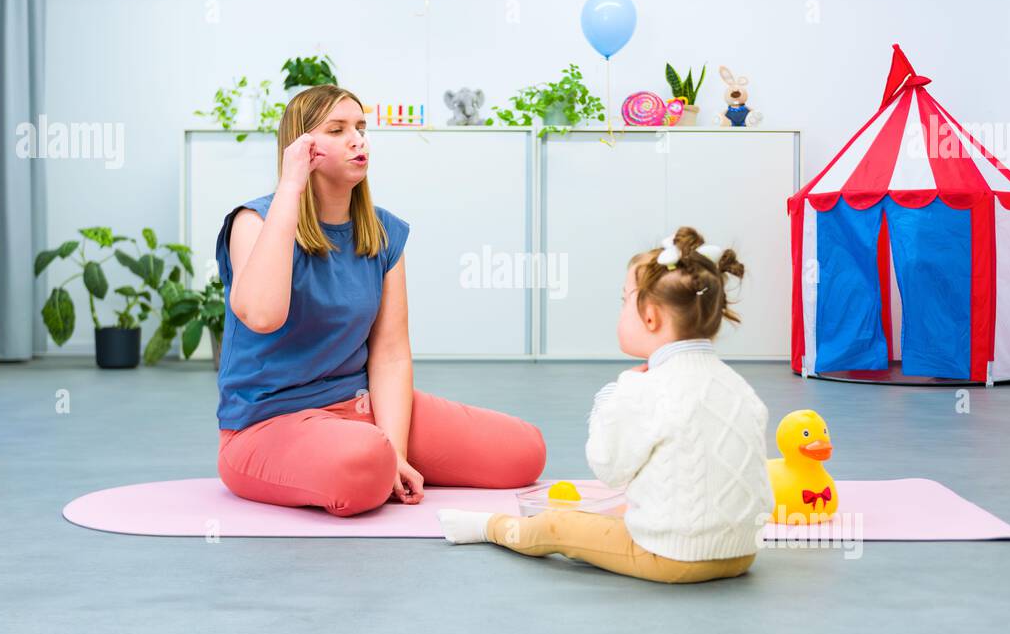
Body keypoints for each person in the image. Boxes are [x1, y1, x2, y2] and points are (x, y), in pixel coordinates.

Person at [215, 85, 546, 517]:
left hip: (361, 409)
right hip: (267, 425)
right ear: (301, 145)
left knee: (523, 452)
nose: (358, 140)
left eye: (361, 128)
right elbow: (262, 313)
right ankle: (372, 457)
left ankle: (378, 454)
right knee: (365, 465)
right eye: (337, 130)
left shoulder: (383, 231)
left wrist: (398, 450)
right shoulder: (253, 221)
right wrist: (291, 185)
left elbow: (389, 356)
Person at [438, 227, 774, 583]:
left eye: (624, 300)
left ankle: (490, 527)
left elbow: (608, 468)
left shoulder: (643, 388)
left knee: (559, 524)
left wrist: (613, 396)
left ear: (650, 317)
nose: (621, 310)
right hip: (742, 553)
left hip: (673, 557)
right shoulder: (739, 387)